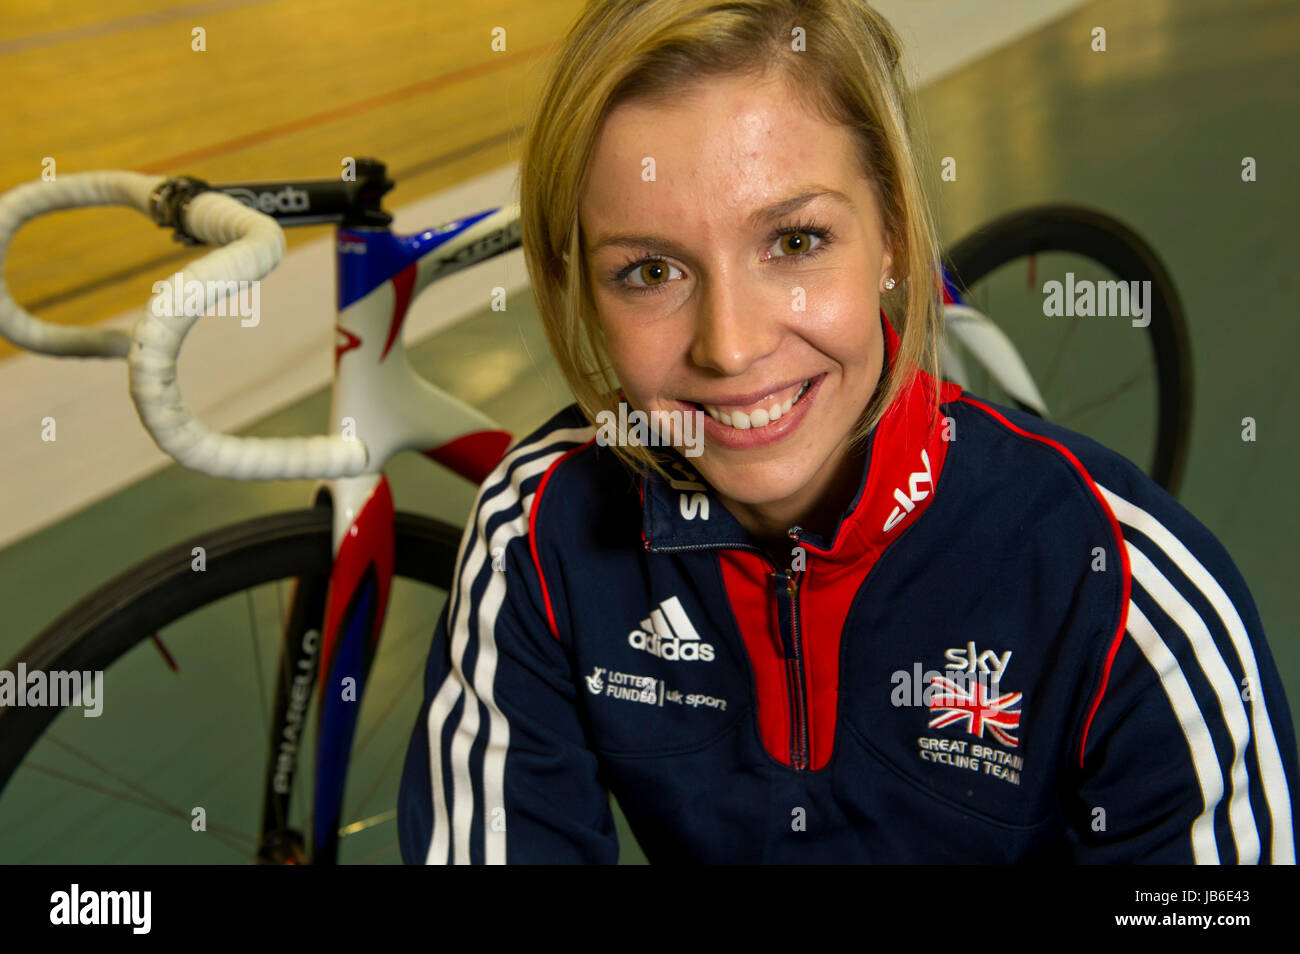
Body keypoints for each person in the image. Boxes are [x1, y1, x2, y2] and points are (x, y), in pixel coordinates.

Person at [397, 0, 1298, 863]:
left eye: (794, 242)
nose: (732, 346)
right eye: (650, 269)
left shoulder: (1127, 595)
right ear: (584, 296)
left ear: (897, 236)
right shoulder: (534, 540)